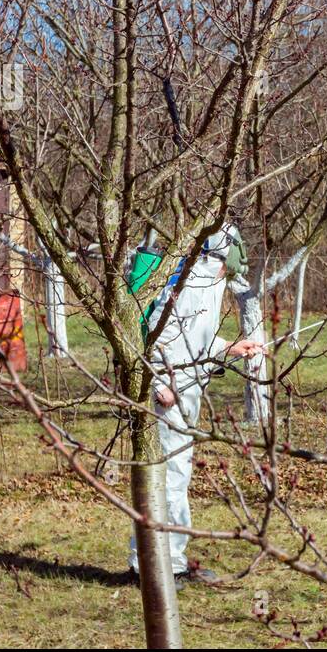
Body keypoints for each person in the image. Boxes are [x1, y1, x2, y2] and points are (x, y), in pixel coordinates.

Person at [128, 224, 264, 587]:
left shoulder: (211, 281)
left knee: (175, 474)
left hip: (185, 388)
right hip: (169, 394)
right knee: (167, 475)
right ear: (228, 251)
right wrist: (160, 383)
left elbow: (193, 335)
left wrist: (229, 347)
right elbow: (159, 330)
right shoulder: (193, 280)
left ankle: (160, 560)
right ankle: (159, 567)